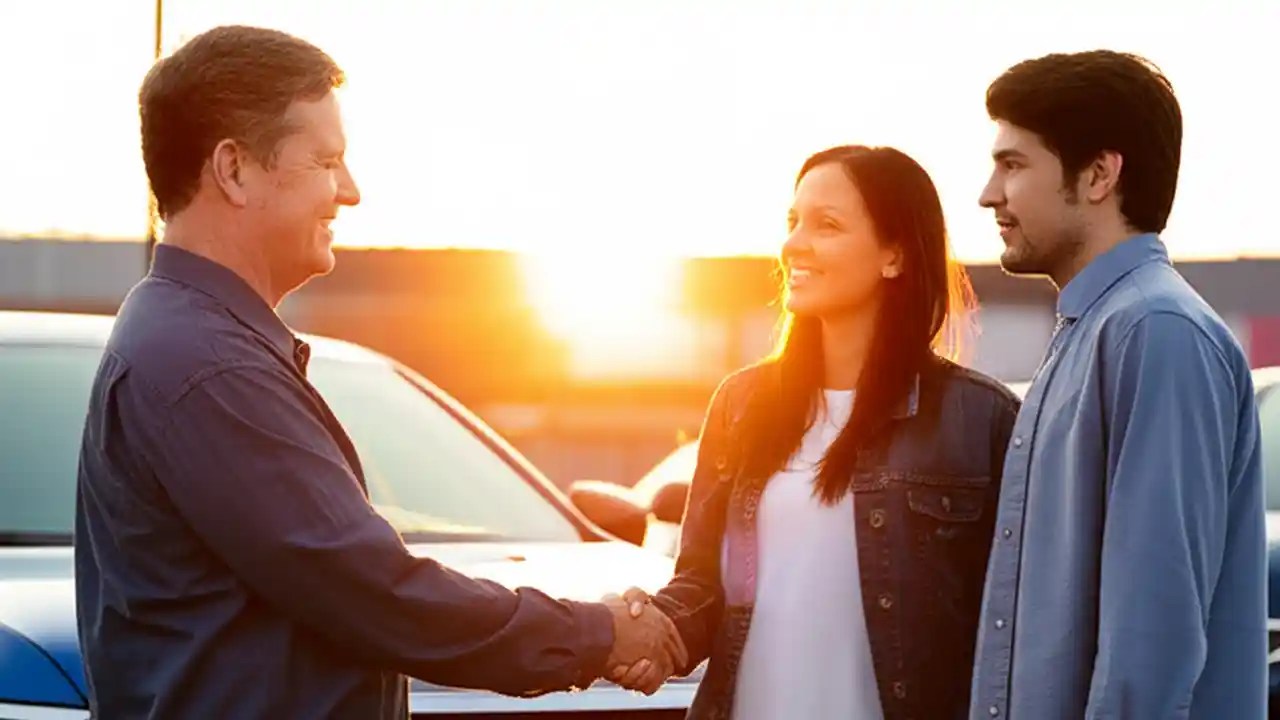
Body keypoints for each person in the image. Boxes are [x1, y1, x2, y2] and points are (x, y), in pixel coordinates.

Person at [73, 25, 684, 720]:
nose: (351, 191)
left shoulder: (190, 341)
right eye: (327, 161)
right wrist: (597, 632)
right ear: (234, 169)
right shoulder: (207, 366)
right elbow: (369, 589)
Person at [605, 145, 1021, 719]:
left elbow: (1012, 626)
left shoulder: (980, 419)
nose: (795, 244)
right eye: (793, 222)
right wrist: (646, 627)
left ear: (894, 255)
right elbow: (702, 587)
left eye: (826, 225)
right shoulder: (741, 404)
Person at [968, 50, 1266, 719]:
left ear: (1099, 175)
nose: (988, 193)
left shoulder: (1156, 333)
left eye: (1013, 164)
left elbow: (1151, 642)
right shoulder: (1095, 329)